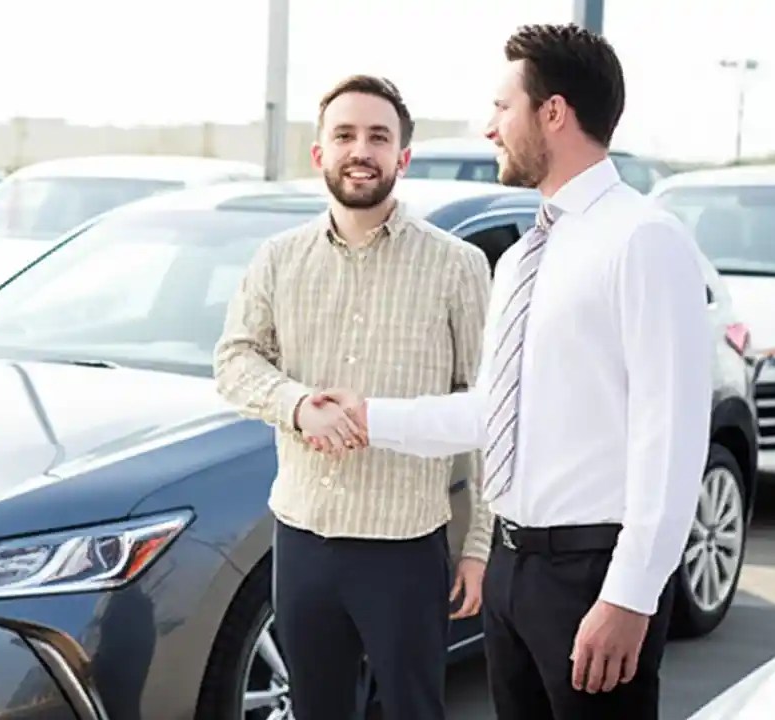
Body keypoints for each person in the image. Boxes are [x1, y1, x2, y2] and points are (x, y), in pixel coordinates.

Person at [307, 24, 711, 720]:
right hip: (512, 569)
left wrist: (631, 593)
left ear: (553, 113)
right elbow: (489, 410)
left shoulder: (643, 239)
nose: (490, 127)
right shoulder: (527, 255)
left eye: (502, 108)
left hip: (591, 574)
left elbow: (670, 435)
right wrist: (369, 415)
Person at [212, 73, 495, 720]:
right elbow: (234, 361)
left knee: (411, 710)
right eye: (344, 135)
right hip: (303, 538)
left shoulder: (458, 266)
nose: (359, 149)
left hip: (405, 545)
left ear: (403, 156)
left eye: (377, 136)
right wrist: (296, 402)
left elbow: (487, 411)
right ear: (320, 154)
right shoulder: (278, 259)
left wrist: (478, 546)